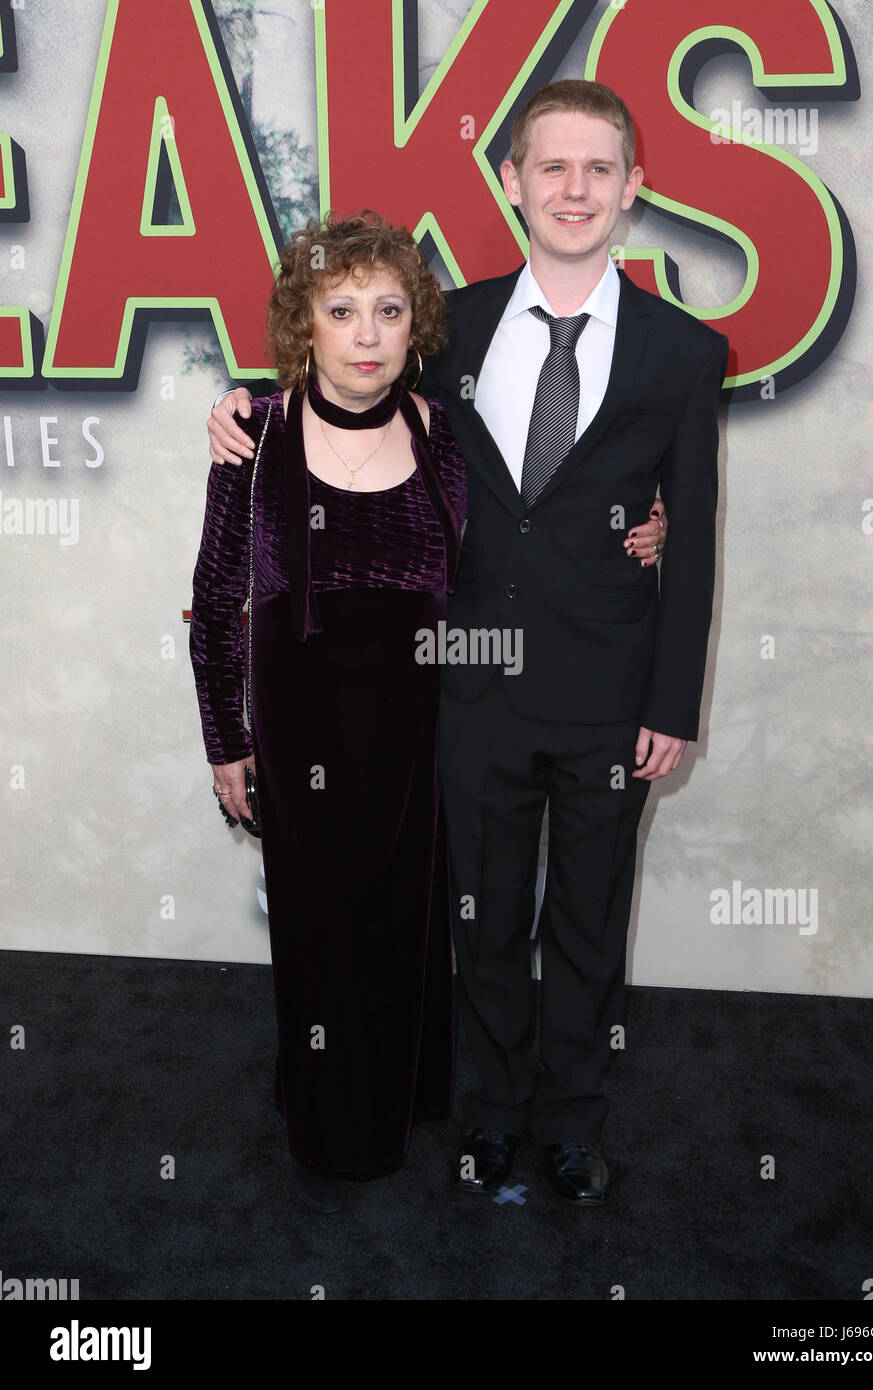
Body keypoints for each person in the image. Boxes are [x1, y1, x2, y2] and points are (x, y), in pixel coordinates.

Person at [208, 78, 716, 1208]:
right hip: (470, 689)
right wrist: (241, 407)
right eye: (551, 167)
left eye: (597, 168)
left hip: (607, 692)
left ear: (632, 187)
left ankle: (571, 1123)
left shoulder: (685, 355)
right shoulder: (453, 331)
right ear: (512, 184)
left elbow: (694, 537)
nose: (573, 188)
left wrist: (671, 703)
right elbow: (345, 384)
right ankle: (489, 1115)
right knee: (481, 921)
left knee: (586, 923)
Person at [190, 211, 467, 1214]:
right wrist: (228, 740)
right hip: (298, 728)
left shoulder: (441, 438)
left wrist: (640, 532)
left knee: (403, 920)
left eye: (388, 310)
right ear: (302, 325)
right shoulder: (253, 435)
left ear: (413, 325)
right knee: (321, 925)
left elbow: (492, 575)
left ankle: (408, 1093)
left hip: (416, 732)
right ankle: (335, 1130)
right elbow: (215, 596)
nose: (365, 332)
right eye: (341, 310)